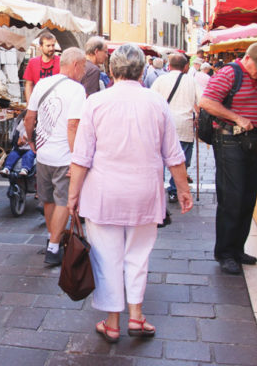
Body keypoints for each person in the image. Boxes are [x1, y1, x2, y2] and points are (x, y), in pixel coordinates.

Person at [67, 44, 193, 343]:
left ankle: (112, 322)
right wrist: (184, 190)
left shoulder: (96, 103)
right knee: (138, 255)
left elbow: (82, 157)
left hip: (103, 195)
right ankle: (135, 317)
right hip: (144, 193)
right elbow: (173, 154)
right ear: (141, 70)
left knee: (106, 257)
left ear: (111, 70)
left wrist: (73, 196)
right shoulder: (156, 103)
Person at [199, 41, 257, 275]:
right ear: (248, 59)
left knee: (248, 197)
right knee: (232, 197)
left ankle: (237, 249)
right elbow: (206, 102)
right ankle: (225, 252)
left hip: (250, 143)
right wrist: (236, 117)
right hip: (228, 141)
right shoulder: (229, 74)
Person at [23, 47, 86, 266]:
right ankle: (53, 247)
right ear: (76, 65)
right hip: (63, 156)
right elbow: (73, 126)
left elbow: (29, 118)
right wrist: (77, 158)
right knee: (62, 201)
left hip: (43, 155)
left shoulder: (41, 84)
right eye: (84, 66)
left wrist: (32, 142)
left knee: (47, 199)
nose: (84, 71)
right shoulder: (77, 90)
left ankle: (53, 240)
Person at [151, 53, 199, 203]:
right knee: (181, 159)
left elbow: (151, 100)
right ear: (186, 67)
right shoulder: (191, 81)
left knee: (161, 158)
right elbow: (201, 101)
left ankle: (158, 188)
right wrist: (197, 115)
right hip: (184, 125)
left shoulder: (160, 80)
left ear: (169, 66)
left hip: (163, 124)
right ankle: (173, 190)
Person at [23, 32, 61, 102]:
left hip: (56, 102)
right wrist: (29, 104)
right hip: (38, 102)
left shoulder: (61, 62)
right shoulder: (32, 62)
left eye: (53, 45)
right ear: (41, 47)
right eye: (48, 46)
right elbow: (29, 85)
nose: (51, 48)